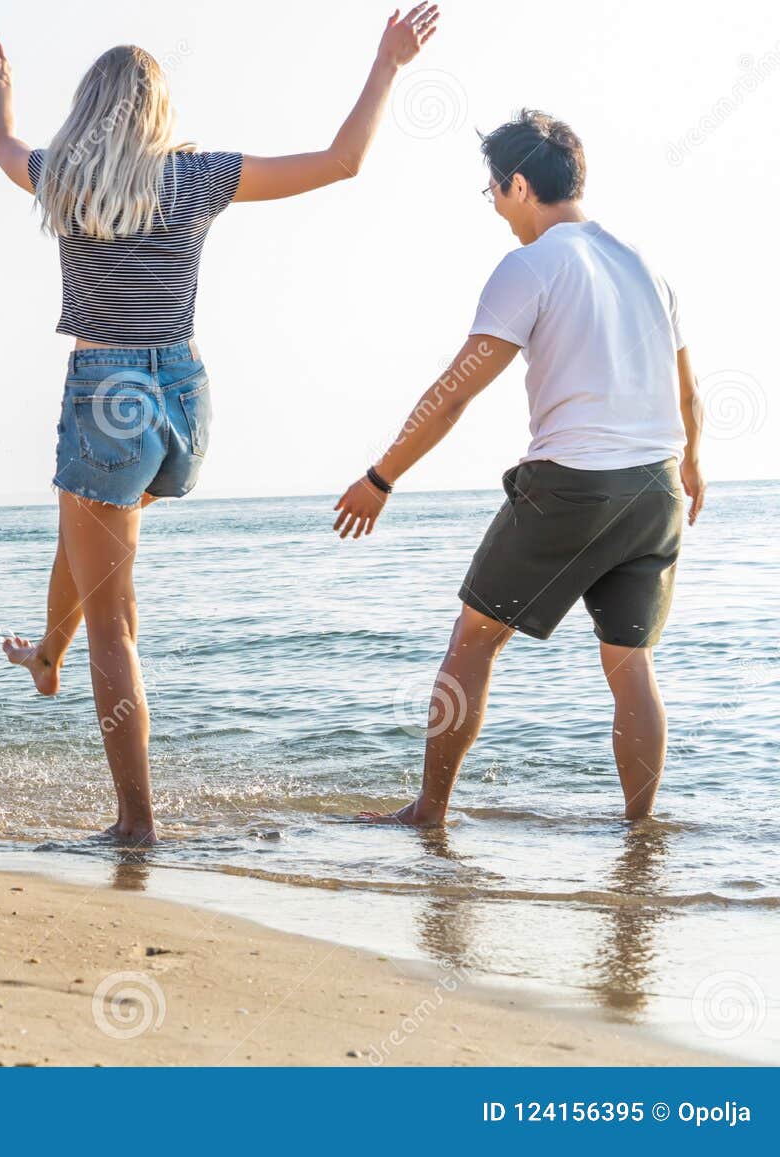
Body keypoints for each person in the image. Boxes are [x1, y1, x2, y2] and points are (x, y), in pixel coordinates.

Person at [0, 7, 440, 844]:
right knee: (94, 544)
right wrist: (387, 64)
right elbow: (342, 162)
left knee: (112, 616)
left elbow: (2, 147)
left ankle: (135, 822)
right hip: (183, 400)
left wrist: (1, 90)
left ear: (89, 108)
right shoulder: (198, 179)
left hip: (106, 393)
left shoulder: (61, 177)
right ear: (159, 110)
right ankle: (47, 653)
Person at [332, 110, 708, 825]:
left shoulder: (529, 266)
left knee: (474, 638)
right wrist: (692, 464)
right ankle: (640, 831)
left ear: (521, 184)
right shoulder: (645, 264)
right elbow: (689, 391)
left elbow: (453, 396)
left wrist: (380, 478)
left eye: (495, 193)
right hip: (656, 488)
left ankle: (430, 811)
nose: (498, 209)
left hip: (573, 484)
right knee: (630, 663)